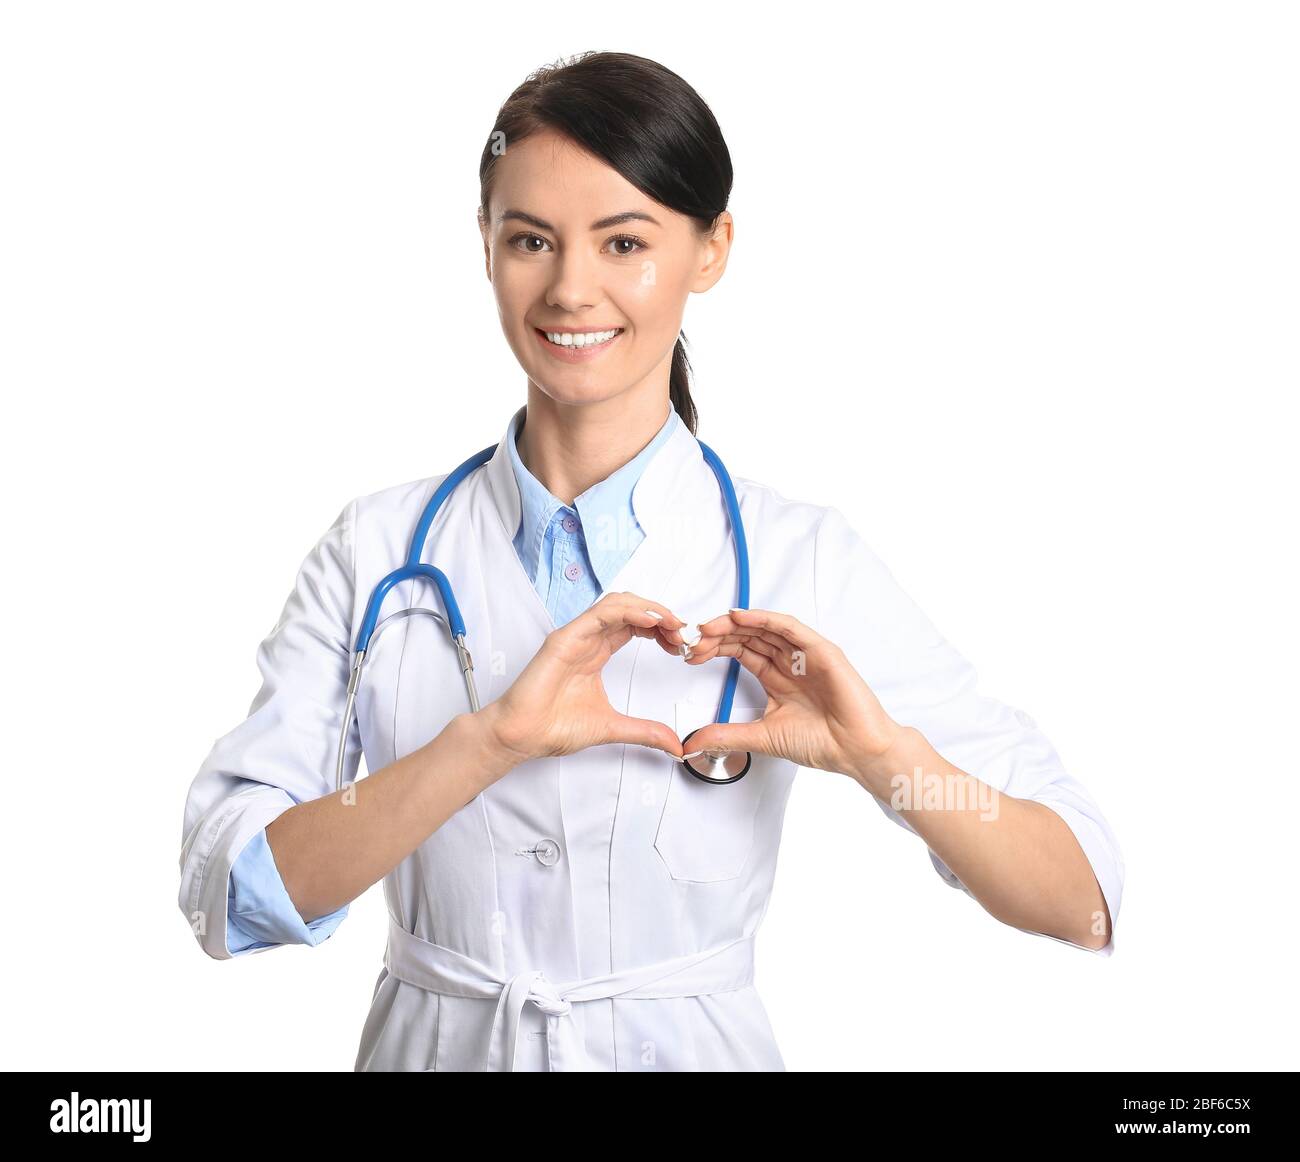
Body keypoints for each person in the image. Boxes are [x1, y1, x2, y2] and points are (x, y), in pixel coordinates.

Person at [178, 51, 1124, 1072]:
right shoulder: (375, 553)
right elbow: (234, 893)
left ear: (711, 248)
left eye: (624, 241)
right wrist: (482, 745)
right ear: (486, 247)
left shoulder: (799, 559)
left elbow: (1078, 898)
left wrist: (887, 760)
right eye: (530, 239)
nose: (570, 288)